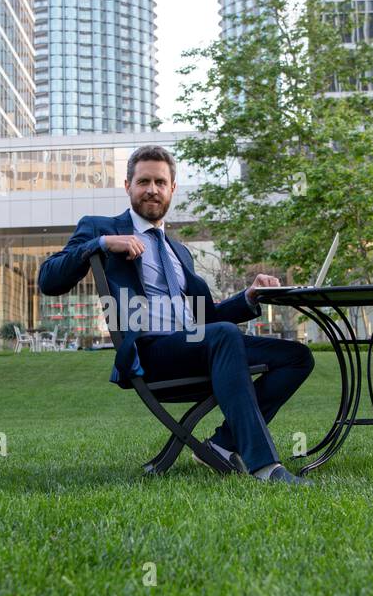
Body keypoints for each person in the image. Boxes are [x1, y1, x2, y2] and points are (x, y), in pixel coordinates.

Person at [38, 145, 315, 485]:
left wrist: (248, 296)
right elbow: (48, 280)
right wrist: (102, 244)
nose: (151, 189)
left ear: (172, 189)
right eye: (143, 182)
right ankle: (264, 466)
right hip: (151, 352)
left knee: (297, 357)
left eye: (159, 182)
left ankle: (223, 444)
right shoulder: (101, 228)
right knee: (225, 334)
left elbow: (206, 318)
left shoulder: (178, 251)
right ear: (128, 186)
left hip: (197, 345)